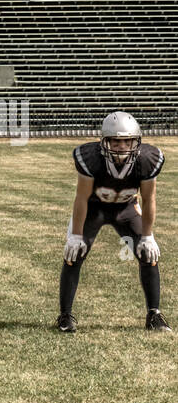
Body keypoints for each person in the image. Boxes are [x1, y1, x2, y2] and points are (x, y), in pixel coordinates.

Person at [58, 111, 169, 333]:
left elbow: (149, 199)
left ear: (136, 141)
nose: (121, 146)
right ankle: (65, 315)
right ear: (104, 141)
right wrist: (76, 235)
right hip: (94, 208)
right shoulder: (91, 158)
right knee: (74, 254)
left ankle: (154, 314)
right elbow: (81, 198)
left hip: (126, 209)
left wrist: (147, 236)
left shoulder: (147, 159)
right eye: (115, 141)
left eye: (127, 140)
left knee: (148, 254)